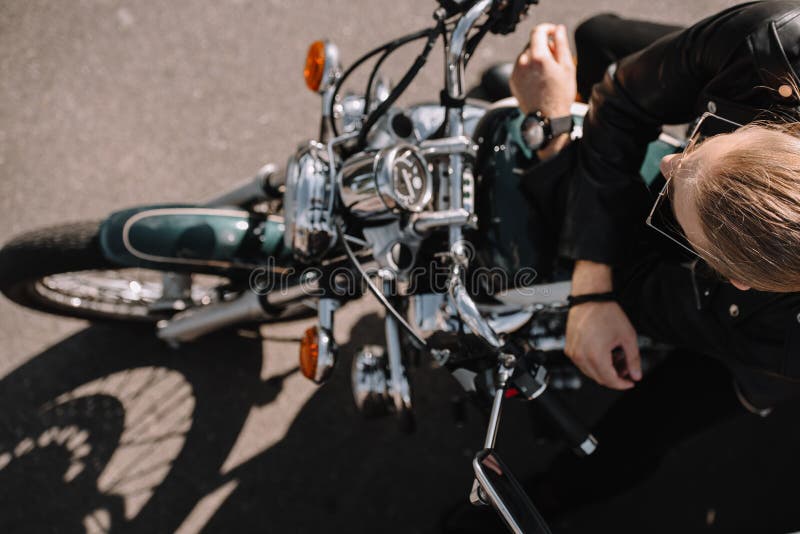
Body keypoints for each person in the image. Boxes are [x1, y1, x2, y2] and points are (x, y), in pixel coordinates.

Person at [446, 2, 800, 531]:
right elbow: (625, 94)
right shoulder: (777, 48)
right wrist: (557, 128)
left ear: (733, 277)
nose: (671, 159)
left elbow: (633, 284)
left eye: (675, 189)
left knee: (649, 424)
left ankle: (548, 498)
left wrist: (553, 138)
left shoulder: (779, 335)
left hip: (758, 345)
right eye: (712, 139)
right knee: (597, 39)